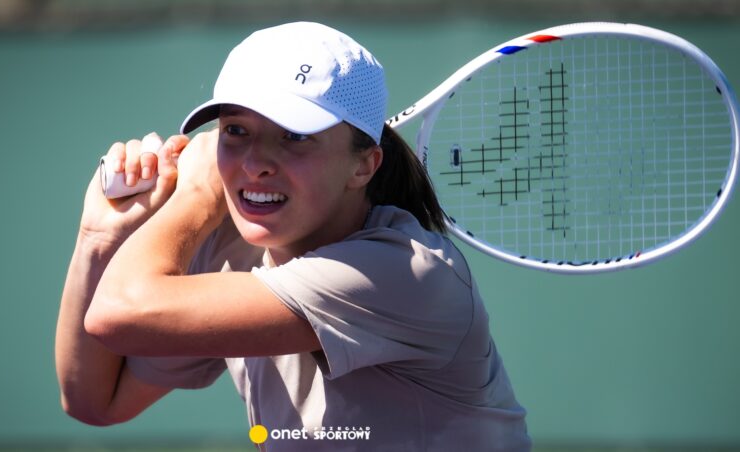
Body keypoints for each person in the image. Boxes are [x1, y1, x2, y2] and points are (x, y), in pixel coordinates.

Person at [55, 21, 530, 451]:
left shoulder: (405, 274)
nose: (255, 162)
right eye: (236, 130)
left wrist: (196, 196)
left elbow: (118, 312)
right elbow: (96, 402)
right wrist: (99, 235)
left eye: (295, 137)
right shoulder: (231, 251)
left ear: (363, 164)